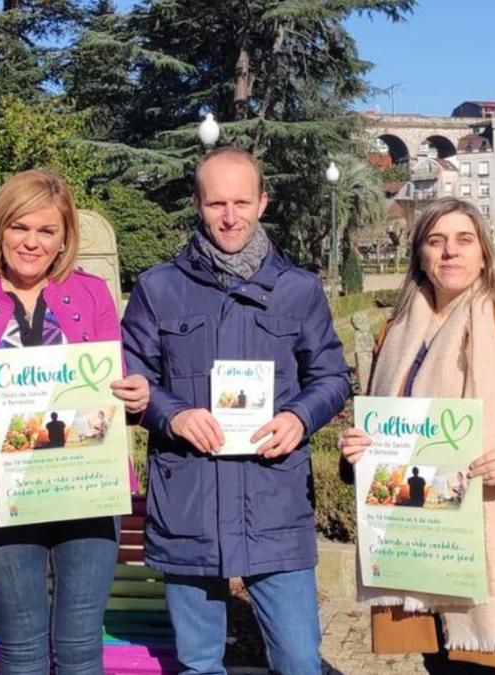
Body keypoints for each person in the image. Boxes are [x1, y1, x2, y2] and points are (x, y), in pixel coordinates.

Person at [121, 146, 351, 675]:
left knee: (298, 660)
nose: (230, 216)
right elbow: (131, 379)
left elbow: (333, 378)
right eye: (216, 202)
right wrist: (170, 413)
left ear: (262, 203)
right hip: (189, 503)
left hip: (275, 502)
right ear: (197, 205)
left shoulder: (298, 288)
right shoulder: (159, 289)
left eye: (242, 202)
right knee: (200, 663)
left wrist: (299, 417)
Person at [338, 197, 495, 674]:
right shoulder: (396, 334)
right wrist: (357, 452)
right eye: (436, 240)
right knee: (441, 663)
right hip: (418, 539)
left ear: (484, 254)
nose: (450, 252)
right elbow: (379, 424)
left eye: (463, 240)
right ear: (421, 256)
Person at [0, 169, 150, 675]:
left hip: (87, 490)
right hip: (1, 496)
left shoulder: (93, 296)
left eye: (46, 231)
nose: (31, 242)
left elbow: (114, 385)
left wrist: (133, 398)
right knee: (23, 650)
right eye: (19, 227)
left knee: (79, 647)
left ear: (64, 239)